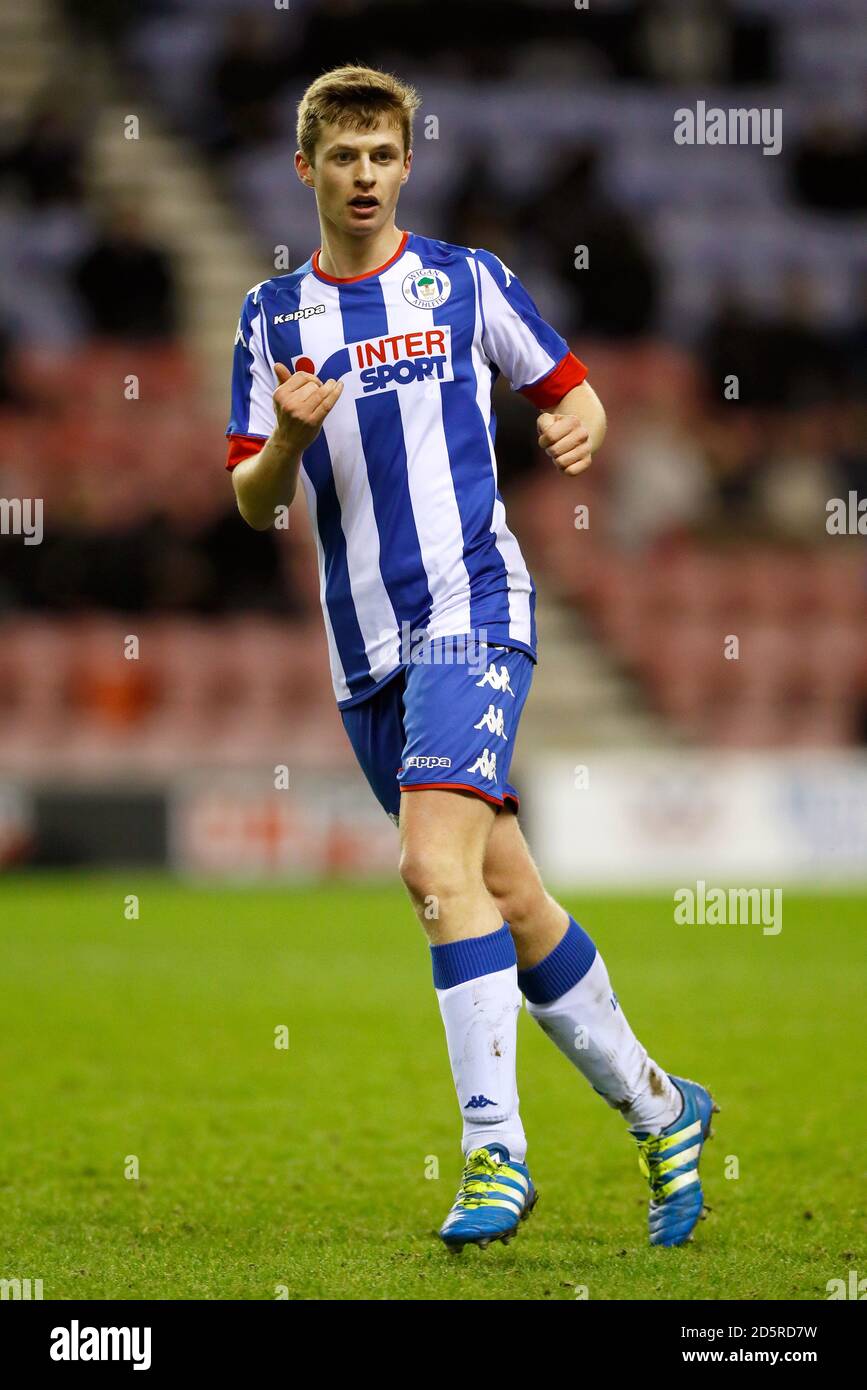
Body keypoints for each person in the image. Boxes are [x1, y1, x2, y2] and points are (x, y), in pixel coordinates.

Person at [224, 64, 716, 1251]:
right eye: (342, 157)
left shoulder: (463, 282)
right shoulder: (271, 317)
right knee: (507, 892)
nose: (363, 176)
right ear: (308, 169)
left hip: (474, 609)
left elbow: (576, 391)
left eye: (382, 155)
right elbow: (248, 502)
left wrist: (576, 420)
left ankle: (496, 1153)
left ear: (408, 164)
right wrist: (287, 437)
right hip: (364, 649)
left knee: (431, 868)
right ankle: (663, 1105)